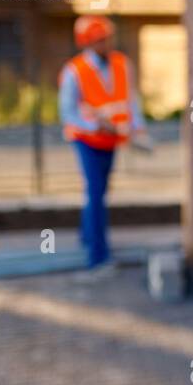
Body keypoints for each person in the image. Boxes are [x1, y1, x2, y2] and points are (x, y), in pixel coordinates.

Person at [58, 15, 151, 278]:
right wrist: (94, 127)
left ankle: (87, 237)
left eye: (107, 38)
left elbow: (130, 100)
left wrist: (138, 128)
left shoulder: (122, 64)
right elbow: (68, 112)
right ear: (87, 42)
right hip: (86, 141)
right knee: (95, 193)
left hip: (111, 140)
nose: (106, 43)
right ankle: (97, 256)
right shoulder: (74, 71)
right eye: (100, 39)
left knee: (99, 192)